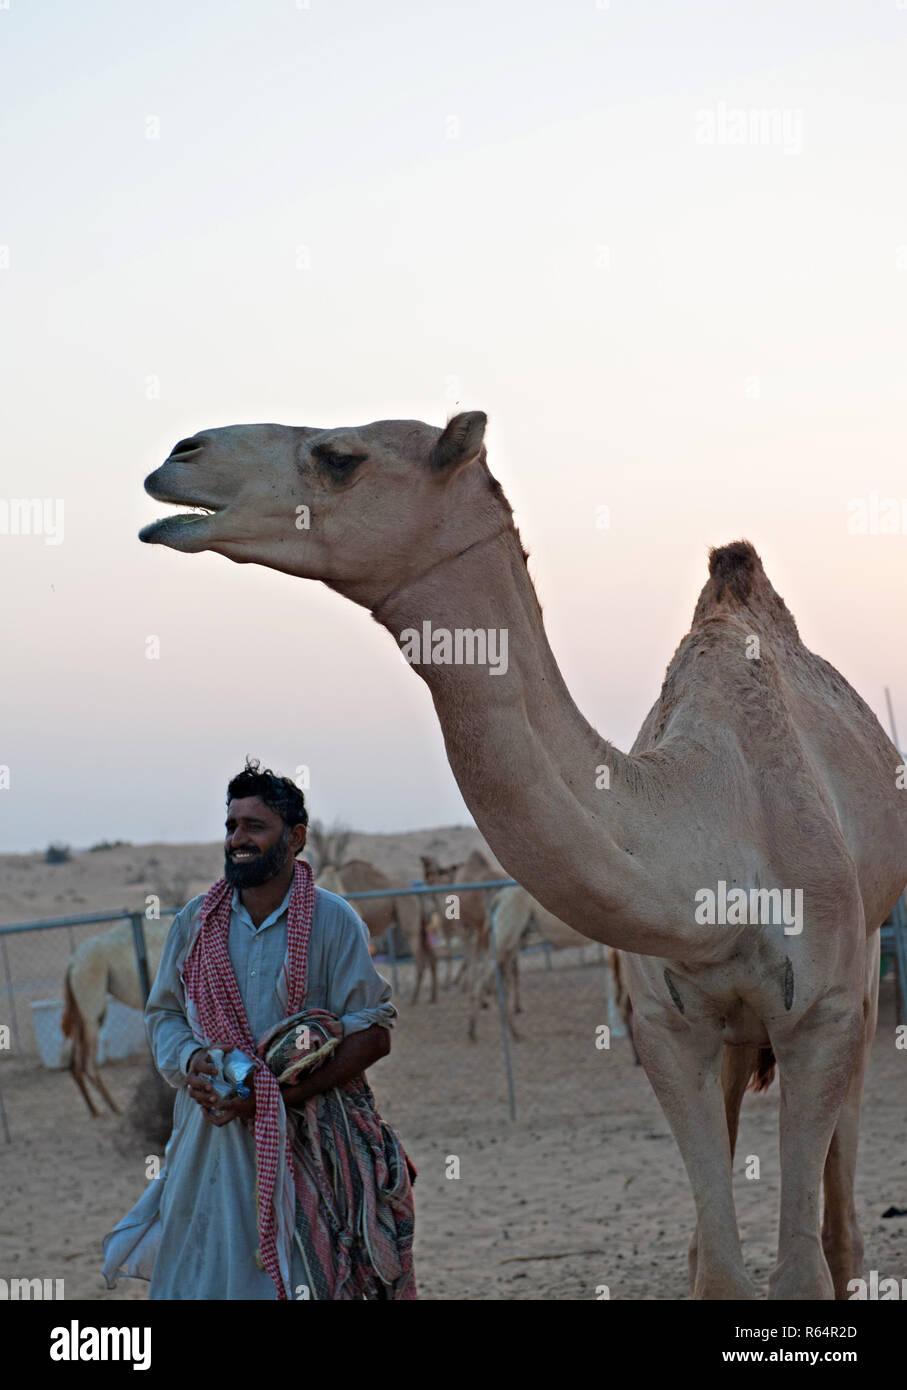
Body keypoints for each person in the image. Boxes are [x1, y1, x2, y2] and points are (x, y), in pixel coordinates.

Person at [102, 758, 416, 1300]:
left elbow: (374, 1031)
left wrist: (273, 1096)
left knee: (300, 1275)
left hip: (308, 1142)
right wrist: (191, 1061)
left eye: (254, 827)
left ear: (295, 838)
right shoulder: (195, 922)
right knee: (205, 1275)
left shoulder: (333, 920)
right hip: (210, 1138)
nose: (237, 839)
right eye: (231, 826)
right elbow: (165, 1015)